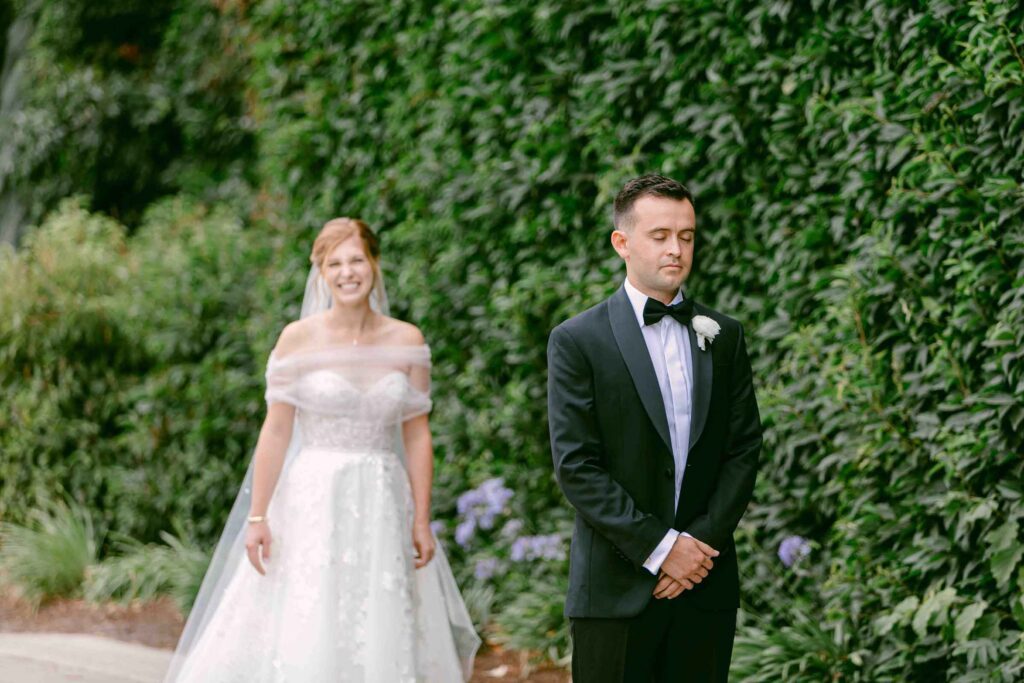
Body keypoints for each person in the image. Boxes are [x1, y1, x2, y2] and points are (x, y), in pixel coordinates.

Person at [164, 218, 480, 682]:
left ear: (374, 264)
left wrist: (420, 518)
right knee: (309, 610)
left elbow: (417, 434)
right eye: (334, 263)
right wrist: (258, 517)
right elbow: (275, 432)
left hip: (381, 498)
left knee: (379, 615)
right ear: (320, 273)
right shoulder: (297, 339)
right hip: (312, 497)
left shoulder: (407, 340)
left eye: (356, 260)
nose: (347, 272)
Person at [547, 175, 763, 682]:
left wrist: (699, 546)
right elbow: (577, 466)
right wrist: (663, 549)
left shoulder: (724, 334)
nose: (676, 249)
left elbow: (744, 447)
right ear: (621, 243)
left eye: (686, 236)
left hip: (703, 585)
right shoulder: (577, 341)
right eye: (660, 235)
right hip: (616, 590)